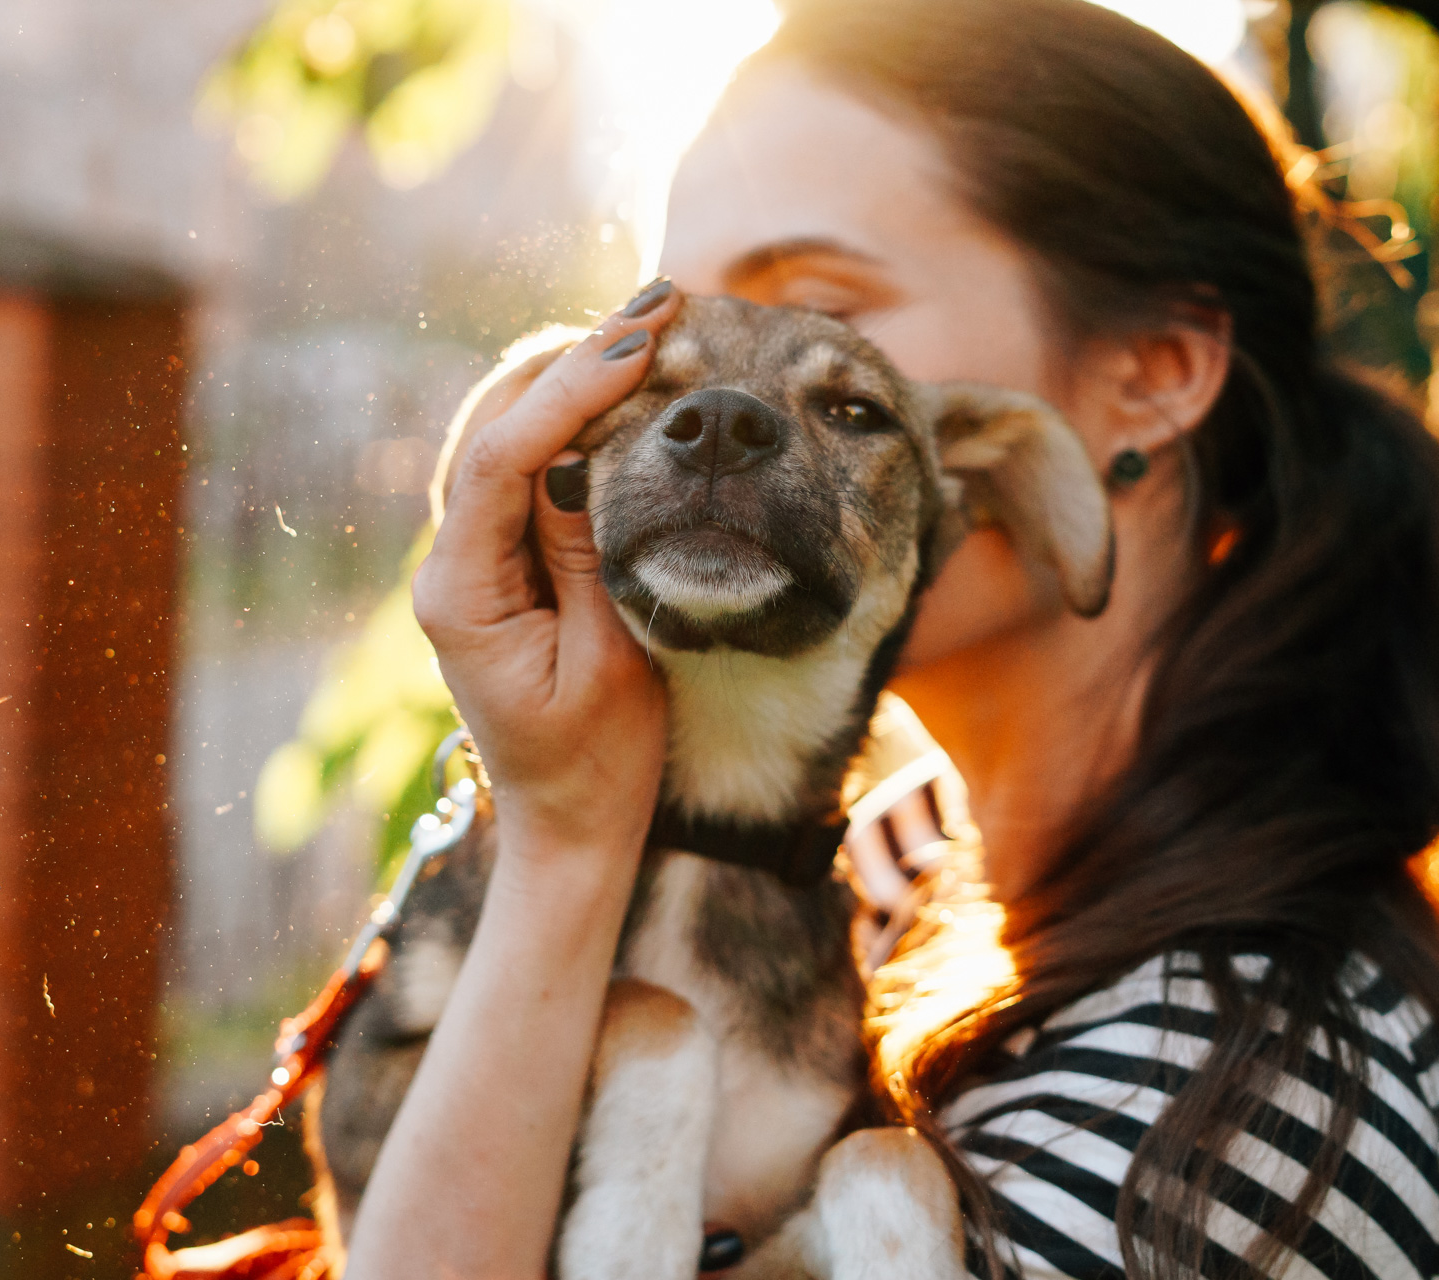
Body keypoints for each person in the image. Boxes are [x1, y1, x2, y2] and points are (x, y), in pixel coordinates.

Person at [346, 0, 1439, 1275]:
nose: (720, 401)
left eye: (824, 307)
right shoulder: (885, 856)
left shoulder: (1239, 1122)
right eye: (662, 346)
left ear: (1147, 374)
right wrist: (566, 828)